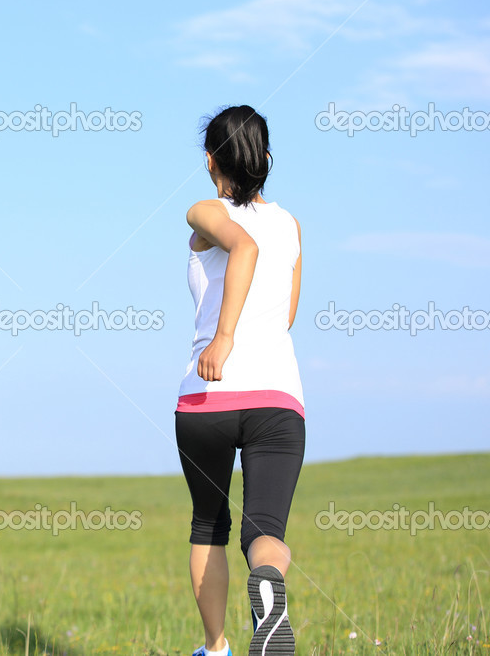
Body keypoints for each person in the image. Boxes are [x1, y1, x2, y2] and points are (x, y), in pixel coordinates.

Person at [175, 105, 305, 656]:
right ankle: (269, 590)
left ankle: (217, 647)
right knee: (265, 531)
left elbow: (242, 245)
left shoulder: (205, 210)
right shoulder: (293, 225)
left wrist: (223, 337)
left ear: (210, 161)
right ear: (267, 158)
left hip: (207, 397)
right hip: (277, 397)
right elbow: (288, 315)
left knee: (209, 524)